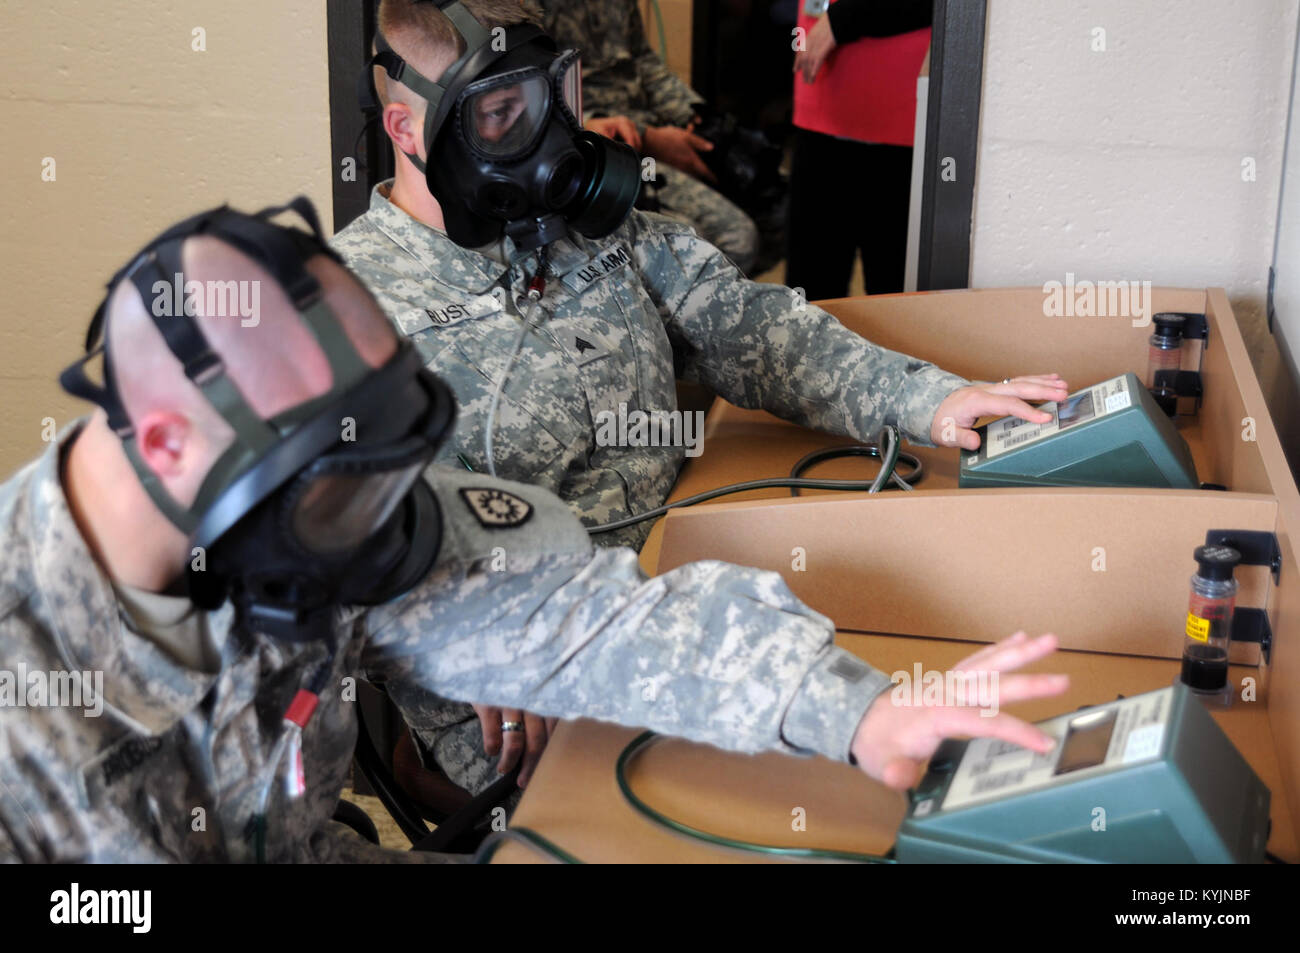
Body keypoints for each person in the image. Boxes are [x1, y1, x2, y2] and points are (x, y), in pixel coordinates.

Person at [0, 198, 1068, 862]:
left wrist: (858, 713)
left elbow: (583, 623)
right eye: (339, 498)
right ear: (169, 441)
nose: (368, 538)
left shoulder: (305, 497)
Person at [333, 0, 1069, 807]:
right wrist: (467, 630)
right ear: (410, 130)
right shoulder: (345, 318)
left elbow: (753, 328)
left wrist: (927, 397)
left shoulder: (592, 233)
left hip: (702, 608)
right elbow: (343, 555)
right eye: (505, 115)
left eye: (557, 96)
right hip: (534, 690)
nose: (548, 138)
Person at [539, 0, 761, 274]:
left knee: (753, 218)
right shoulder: (531, 7)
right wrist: (652, 139)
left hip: (647, 134)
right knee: (711, 242)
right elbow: (534, 98)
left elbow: (643, 62)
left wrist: (692, 114)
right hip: (593, 151)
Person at [787, 0, 933, 299]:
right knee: (810, 302)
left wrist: (843, 18)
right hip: (821, 107)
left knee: (893, 309)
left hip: (899, 125)